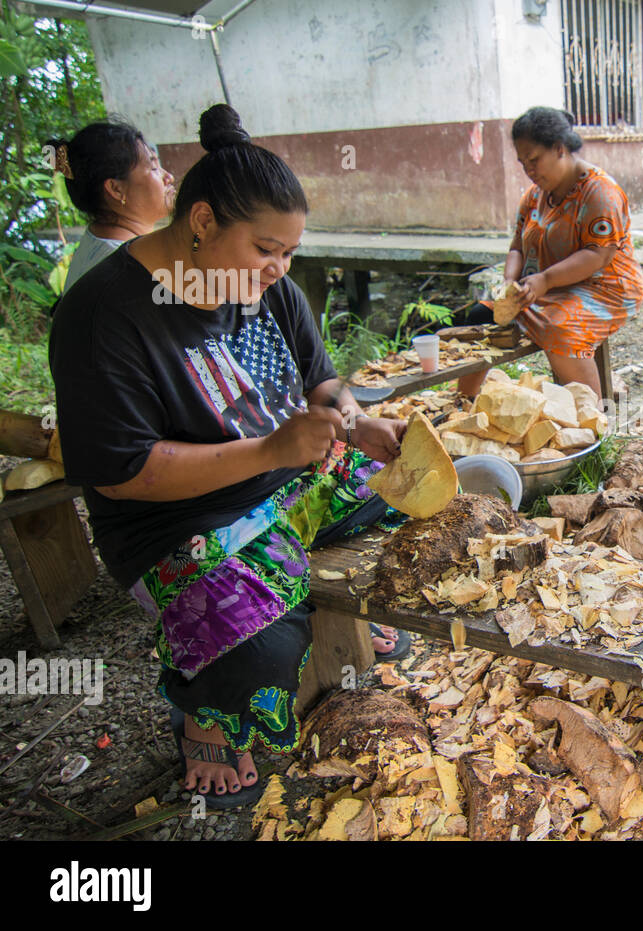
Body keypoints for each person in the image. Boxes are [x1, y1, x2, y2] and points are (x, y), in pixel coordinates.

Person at [49, 104, 413, 807]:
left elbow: (325, 383)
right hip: (177, 525)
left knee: (412, 490)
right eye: (265, 250)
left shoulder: (267, 289)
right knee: (261, 654)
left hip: (288, 483)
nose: (278, 270)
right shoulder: (103, 314)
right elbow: (124, 476)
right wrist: (271, 447)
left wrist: (357, 422)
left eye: (289, 254)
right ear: (204, 221)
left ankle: (329, 608)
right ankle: (203, 716)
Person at [458, 107, 643, 400]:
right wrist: (509, 281)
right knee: (480, 316)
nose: (529, 171)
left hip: (605, 287)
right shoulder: (533, 196)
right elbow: (518, 245)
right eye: (522, 164)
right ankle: (463, 403)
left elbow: (598, 255)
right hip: (546, 288)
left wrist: (545, 279)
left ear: (559, 148)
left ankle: (590, 422)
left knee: (560, 328)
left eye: (534, 160)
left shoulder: (600, 192)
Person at [46, 119, 175, 290]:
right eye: (153, 168)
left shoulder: (100, 244)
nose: (169, 178)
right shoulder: (131, 270)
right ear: (116, 189)